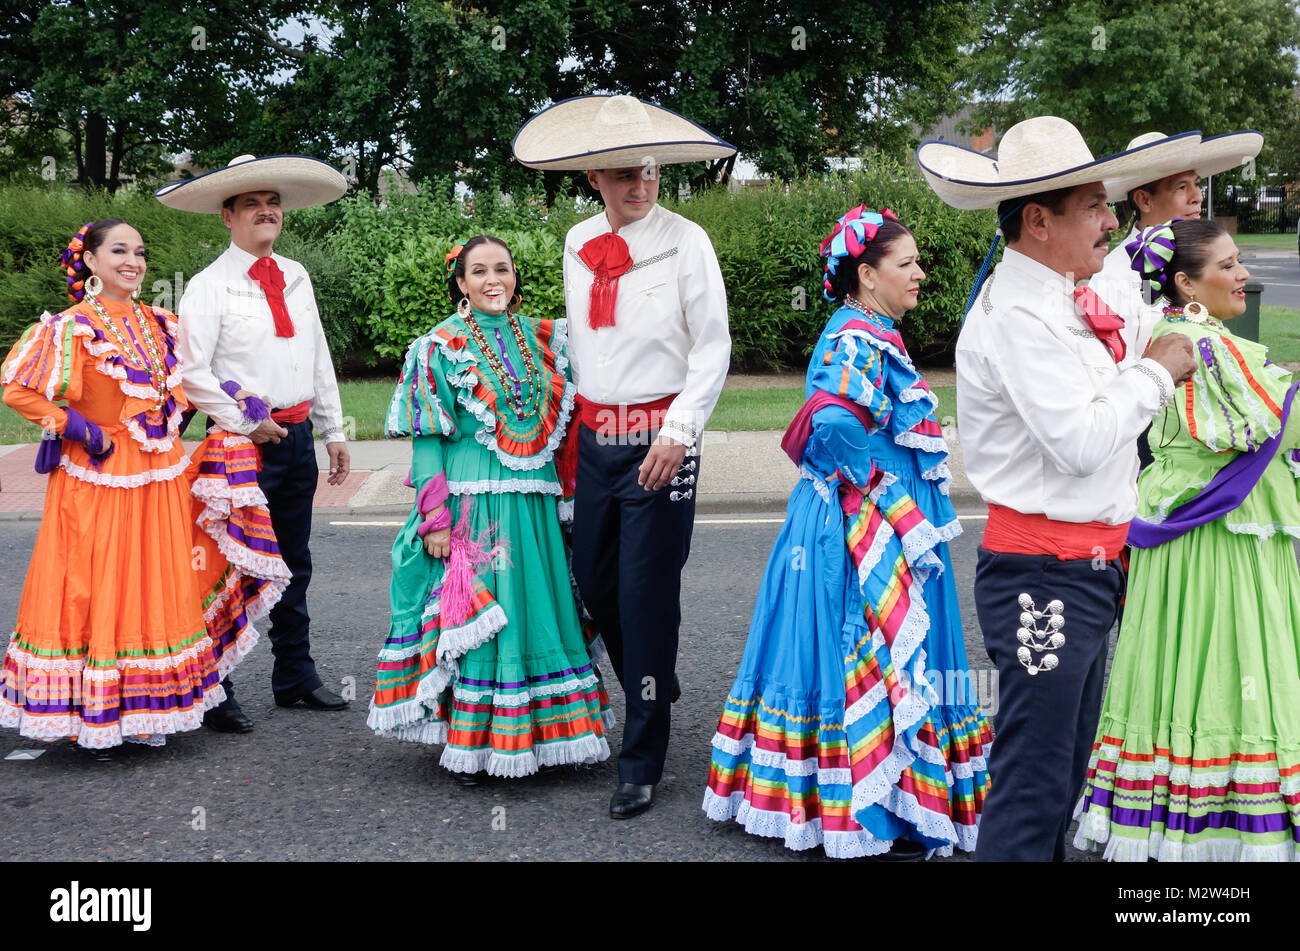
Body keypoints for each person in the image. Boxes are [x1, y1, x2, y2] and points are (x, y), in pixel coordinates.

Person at [917, 115, 1200, 861]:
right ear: (1038, 221)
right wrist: (1154, 371)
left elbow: (1138, 317)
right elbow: (1078, 443)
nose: (1112, 219)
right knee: (1035, 780)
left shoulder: (1067, 292)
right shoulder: (1017, 315)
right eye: (1095, 207)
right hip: (1045, 574)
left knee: (1063, 768)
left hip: (1084, 568)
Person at [703, 206, 992, 858]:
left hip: (863, 514)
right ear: (866, 274)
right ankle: (881, 804)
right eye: (906, 263)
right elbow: (832, 423)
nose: (920, 272)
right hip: (862, 524)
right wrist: (878, 490)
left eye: (918, 261)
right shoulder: (858, 337)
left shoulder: (871, 331)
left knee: (881, 655)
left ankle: (879, 795)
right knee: (879, 654)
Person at [513, 94, 734, 818]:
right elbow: (584, 345)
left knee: (644, 599)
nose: (641, 185)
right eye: (623, 174)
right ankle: (652, 677)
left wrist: (679, 431)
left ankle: (642, 756)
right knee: (592, 578)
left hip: (660, 443)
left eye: (649, 172)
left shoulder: (686, 240)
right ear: (595, 180)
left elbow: (712, 345)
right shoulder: (577, 242)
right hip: (595, 439)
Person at [0, 220, 285, 751]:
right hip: (100, 475)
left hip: (162, 474)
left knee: (157, 579)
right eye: (119, 251)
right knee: (99, 582)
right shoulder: (69, 326)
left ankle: (154, 704)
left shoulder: (163, 323)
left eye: (140, 252)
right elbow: (17, 389)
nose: (133, 261)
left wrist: (233, 394)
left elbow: (188, 383)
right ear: (90, 261)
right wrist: (73, 426)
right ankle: (98, 709)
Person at [1075, 218, 1300, 861]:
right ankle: (1224, 818)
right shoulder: (1202, 342)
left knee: (1180, 657)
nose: (1244, 274)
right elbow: (1275, 428)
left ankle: (1163, 806)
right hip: (1218, 531)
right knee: (1232, 658)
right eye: (1228, 264)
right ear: (1185, 282)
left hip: (1184, 521)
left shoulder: (1177, 336)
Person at [366, 235, 613, 781]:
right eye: (479, 272)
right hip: (476, 509)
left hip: (538, 512)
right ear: (461, 283)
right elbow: (427, 442)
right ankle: (482, 741)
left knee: (540, 611)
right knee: (490, 622)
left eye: (502, 269)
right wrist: (435, 520)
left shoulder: (547, 339)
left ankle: (544, 735)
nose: (492, 280)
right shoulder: (438, 346)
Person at [157, 154, 352, 730]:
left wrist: (333, 429)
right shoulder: (208, 286)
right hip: (240, 448)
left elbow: (315, 355)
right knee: (230, 565)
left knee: (294, 561)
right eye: (251, 204)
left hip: (294, 441)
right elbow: (191, 373)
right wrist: (245, 423)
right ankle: (217, 686)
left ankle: (294, 674)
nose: (266, 211)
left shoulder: (295, 275)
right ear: (227, 217)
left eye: (272, 203)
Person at [1089, 131, 1262, 467]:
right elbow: (1108, 372)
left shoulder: (1202, 264)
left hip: (1210, 429)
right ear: (1144, 200)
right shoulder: (1109, 277)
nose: (1197, 197)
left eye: (1196, 185)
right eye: (1182, 187)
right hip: (1155, 437)